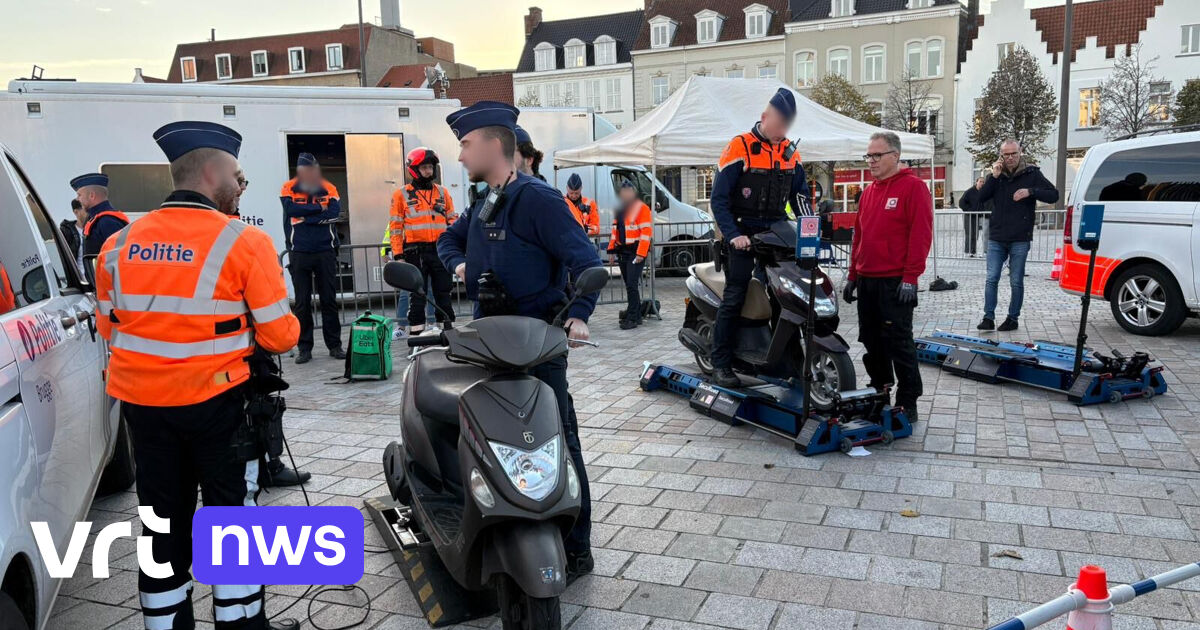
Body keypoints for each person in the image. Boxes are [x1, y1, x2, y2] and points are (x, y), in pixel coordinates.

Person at [95, 120, 301, 630]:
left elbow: (109, 326)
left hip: (144, 411)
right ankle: (241, 624)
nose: (241, 186)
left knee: (161, 528)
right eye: (238, 175)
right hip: (219, 408)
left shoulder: (117, 245)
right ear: (213, 172)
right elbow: (281, 337)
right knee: (232, 522)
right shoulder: (243, 241)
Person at [438, 101, 602, 580]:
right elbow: (448, 242)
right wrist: (460, 265)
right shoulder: (487, 200)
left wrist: (580, 316)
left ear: (494, 144)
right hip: (488, 346)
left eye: (466, 145)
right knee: (494, 440)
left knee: (557, 443)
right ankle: (504, 530)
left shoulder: (539, 200)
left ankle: (575, 548)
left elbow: (586, 262)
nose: (462, 155)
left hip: (536, 347)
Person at [708, 87, 810, 388]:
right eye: (779, 125)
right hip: (742, 233)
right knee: (736, 295)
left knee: (786, 296)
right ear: (765, 117)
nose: (782, 134)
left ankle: (786, 362)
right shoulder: (739, 147)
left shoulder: (791, 152)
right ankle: (721, 363)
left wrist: (810, 234)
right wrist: (733, 235)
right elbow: (719, 200)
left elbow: (801, 197)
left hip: (776, 234)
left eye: (786, 127)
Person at [842, 131, 933, 423]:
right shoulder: (869, 192)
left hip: (895, 282)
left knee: (899, 343)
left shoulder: (914, 188)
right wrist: (853, 274)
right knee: (872, 340)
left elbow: (921, 235)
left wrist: (911, 277)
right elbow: (860, 237)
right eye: (868, 155)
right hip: (867, 280)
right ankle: (880, 389)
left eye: (877, 155)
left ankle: (908, 400)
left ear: (895, 156)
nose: (871, 161)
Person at [232, 168, 310, 488]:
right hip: (240, 349)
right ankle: (265, 468)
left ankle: (269, 464)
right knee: (254, 410)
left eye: (244, 181)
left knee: (264, 407)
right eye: (238, 182)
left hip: (245, 344)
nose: (241, 188)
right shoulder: (239, 235)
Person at [976, 139, 1059, 332]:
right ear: (1001, 155)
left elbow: (1053, 194)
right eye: (1006, 154)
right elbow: (980, 199)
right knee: (991, 278)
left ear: (1020, 152)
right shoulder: (996, 175)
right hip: (997, 236)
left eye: (1014, 153)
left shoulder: (1032, 173)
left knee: (1016, 280)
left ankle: (1012, 318)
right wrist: (994, 177)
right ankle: (988, 317)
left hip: (1020, 236)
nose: (1010, 158)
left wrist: (1031, 192)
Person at [280, 153, 345, 363]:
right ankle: (304, 348)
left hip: (325, 250)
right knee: (302, 303)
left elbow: (334, 213)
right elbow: (290, 209)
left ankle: (335, 346)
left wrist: (305, 216)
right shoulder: (288, 187)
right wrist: (318, 208)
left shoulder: (329, 187)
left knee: (329, 301)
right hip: (299, 251)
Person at [389, 147, 456, 334]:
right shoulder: (401, 195)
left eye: (431, 167)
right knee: (417, 297)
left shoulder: (442, 193)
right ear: (414, 169)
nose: (429, 171)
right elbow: (395, 227)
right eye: (425, 167)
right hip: (414, 253)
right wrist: (398, 255)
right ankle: (417, 340)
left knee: (444, 294)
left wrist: (455, 247)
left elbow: (453, 221)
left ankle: (448, 336)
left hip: (440, 251)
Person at [607, 180, 652, 330]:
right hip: (623, 251)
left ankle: (632, 318)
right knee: (629, 285)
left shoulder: (642, 208)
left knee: (632, 285)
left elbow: (646, 232)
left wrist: (640, 253)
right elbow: (615, 232)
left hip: (635, 251)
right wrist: (611, 251)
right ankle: (636, 315)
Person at [71, 172, 130, 257]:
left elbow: (118, 258)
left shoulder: (108, 222)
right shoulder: (97, 219)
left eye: (79, 195)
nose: (77, 199)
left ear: (91, 195)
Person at [958, 176, 987, 257]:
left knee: (975, 234)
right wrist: (969, 210)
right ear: (976, 182)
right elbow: (961, 203)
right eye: (980, 181)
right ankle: (967, 252)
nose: (982, 183)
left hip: (976, 216)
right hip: (968, 215)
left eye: (983, 182)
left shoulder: (982, 192)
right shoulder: (969, 191)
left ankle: (973, 252)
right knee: (969, 233)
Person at [60, 199, 88, 274]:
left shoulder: (94, 228)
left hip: (95, 277)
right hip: (80, 279)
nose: (89, 213)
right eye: (86, 210)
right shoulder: (67, 232)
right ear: (76, 212)